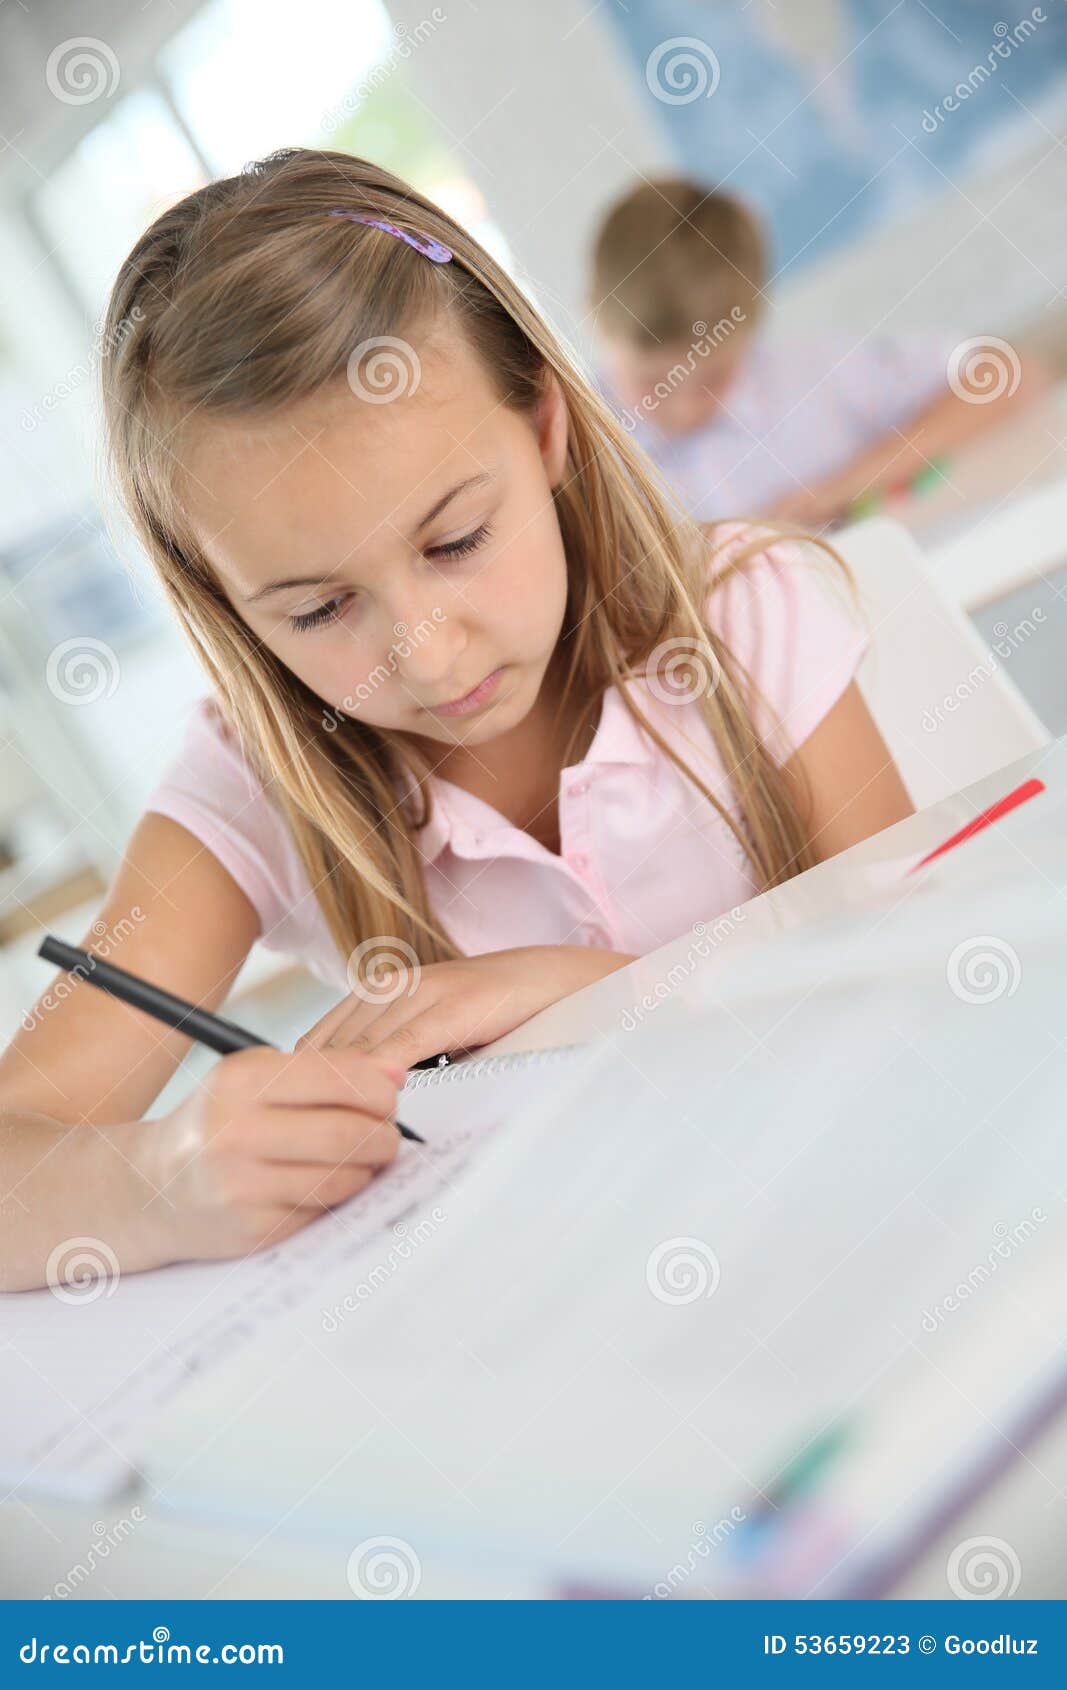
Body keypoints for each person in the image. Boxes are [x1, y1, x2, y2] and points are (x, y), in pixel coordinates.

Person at [0, 150, 912, 1289]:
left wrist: (597, 997)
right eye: (320, 606)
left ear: (541, 424)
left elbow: (935, 967)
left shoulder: (738, 618)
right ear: (222, 599)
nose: (424, 656)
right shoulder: (255, 789)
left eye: (455, 541)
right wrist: (163, 1181)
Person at [590, 177, 1047, 528]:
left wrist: (841, 488)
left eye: (712, 380)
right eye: (653, 381)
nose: (684, 407)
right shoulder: (575, 450)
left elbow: (1011, 373)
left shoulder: (813, 373)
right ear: (593, 319)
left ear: (746, 331)